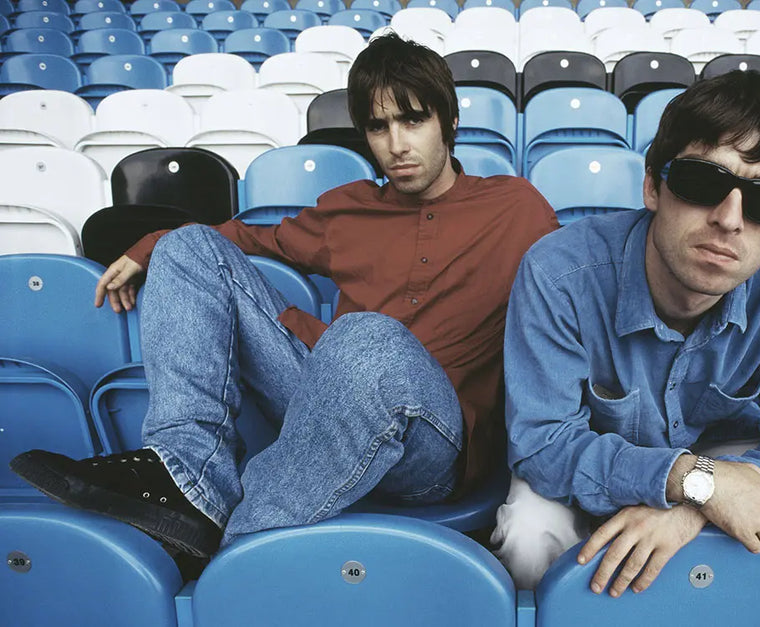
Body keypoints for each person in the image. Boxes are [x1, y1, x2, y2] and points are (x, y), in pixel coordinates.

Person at [11, 33, 558, 558]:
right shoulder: (349, 207)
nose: (397, 144)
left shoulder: (517, 208)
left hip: (430, 444)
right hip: (325, 394)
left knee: (368, 337)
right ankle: (189, 481)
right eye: (378, 126)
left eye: (414, 120)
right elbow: (246, 240)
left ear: (450, 120)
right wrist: (152, 246)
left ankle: (231, 549)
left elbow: (578, 300)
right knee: (189, 245)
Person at [490, 71, 760, 595]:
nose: (729, 219)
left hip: (735, 459)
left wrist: (695, 506)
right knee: (529, 532)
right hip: (602, 452)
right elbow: (542, 445)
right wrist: (690, 481)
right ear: (653, 184)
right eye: (704, 183)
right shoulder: (559, 273)